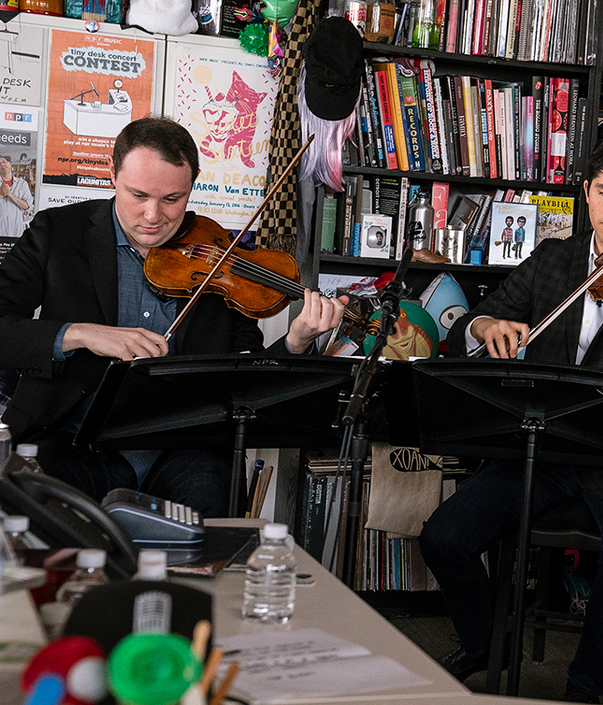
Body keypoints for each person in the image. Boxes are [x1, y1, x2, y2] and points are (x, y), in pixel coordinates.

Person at [420, 131, 603, 703]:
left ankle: (586, 681)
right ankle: (484, 645)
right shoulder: (553, 259)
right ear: (587, 193)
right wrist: (483, 327)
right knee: (443, 536)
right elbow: (475, 318)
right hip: (542, 447)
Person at [0, 116, 346, 517]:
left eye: (171, 200)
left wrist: (296, 342)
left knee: (208, 519)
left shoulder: (220, 256)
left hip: (181, 450)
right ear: (113, 176)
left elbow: (244, 373)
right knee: (30, 513)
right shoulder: (57, 232)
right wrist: (79, 334)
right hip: (71, 439)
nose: (152, 216)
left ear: (191, 188)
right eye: (138, 195)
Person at [0, 156, 33, 237]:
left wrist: (10, 194)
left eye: (3, 161)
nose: (2, 165)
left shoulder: (22, 184)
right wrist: (1, 194)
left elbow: (27, 206)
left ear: (10, 163)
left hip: (17, 231)